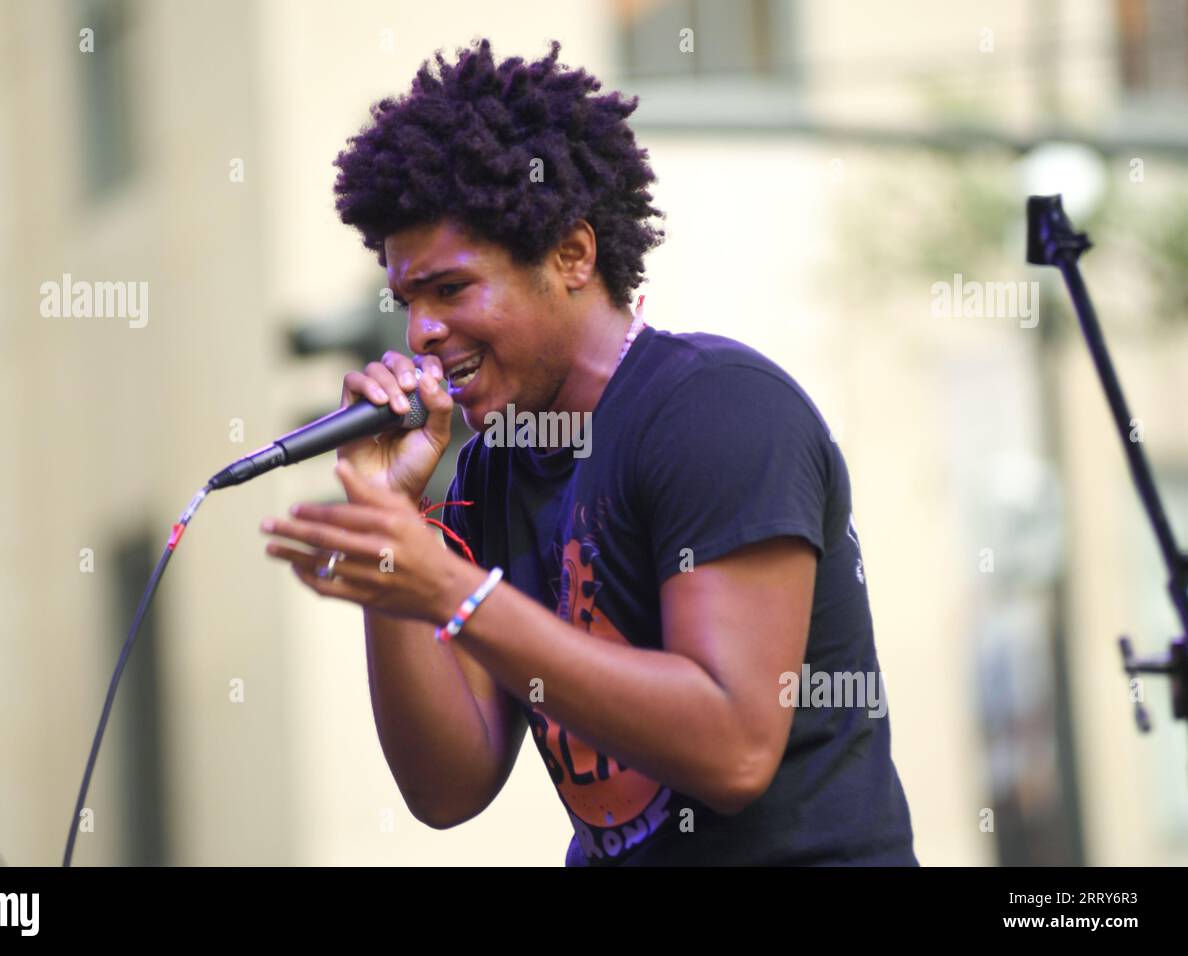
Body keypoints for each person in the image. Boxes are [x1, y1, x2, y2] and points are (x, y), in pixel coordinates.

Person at [261, 38, 917, 865]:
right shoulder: (494, 468)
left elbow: (734, 749)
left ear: (572, 255)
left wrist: (452, 590)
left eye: (452, 288)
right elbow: (447, 791)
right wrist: (393, 538)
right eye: (408, 299)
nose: (421, 331)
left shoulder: (716, 409)